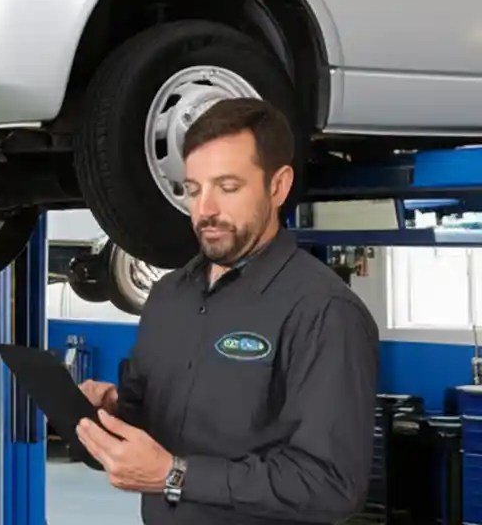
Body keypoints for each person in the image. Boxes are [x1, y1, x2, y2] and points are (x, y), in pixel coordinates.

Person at [74, 97, 379, 524]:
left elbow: (330, 484)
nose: (206, 209)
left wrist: (175, 475)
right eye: (194, 189)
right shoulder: (167, 298)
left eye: (228, 187)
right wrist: (108, 416)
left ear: (278, 186)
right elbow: (147, 423)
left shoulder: (324, 311)